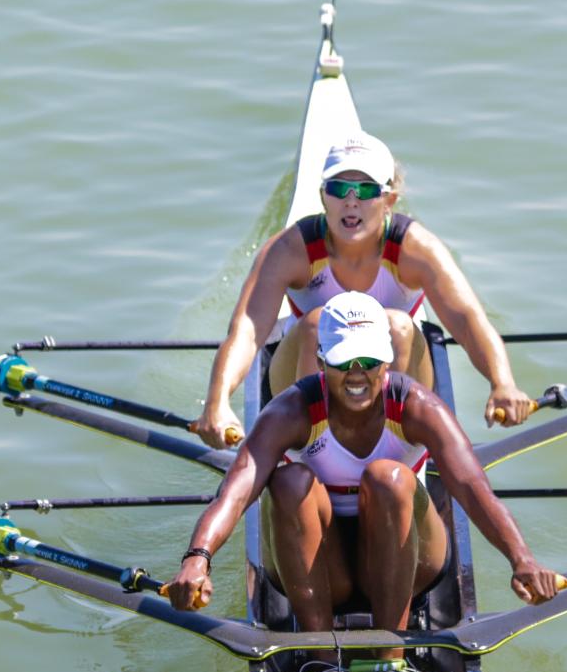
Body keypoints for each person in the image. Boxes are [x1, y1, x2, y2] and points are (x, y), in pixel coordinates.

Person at [167, 291, 561, 672]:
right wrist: (197, 559)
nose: (358, 374)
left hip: (412, 564)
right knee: (288, 482)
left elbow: (475, 491)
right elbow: (233, 494)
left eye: (370, 361)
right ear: (321, 361)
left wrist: (522, 559)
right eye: (343, 361)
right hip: (324, 567)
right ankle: (321, 662)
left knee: (388, 478)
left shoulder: (417, 407)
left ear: (387, 361)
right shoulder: (292, 411)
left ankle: (391, 660)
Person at [193, 132, 536, 449]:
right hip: (308, 384)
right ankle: (314, 448)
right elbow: (246, 333)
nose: (351, 202)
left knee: (398, 327)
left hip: (389, 385)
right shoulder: (289, 250)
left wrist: (502, 383)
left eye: (367, 191)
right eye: (340, 189)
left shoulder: (416, 249)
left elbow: (467, 320)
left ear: (390, 199)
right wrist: (217, 402)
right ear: (323, 197)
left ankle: (392, 446)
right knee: (316, 324)